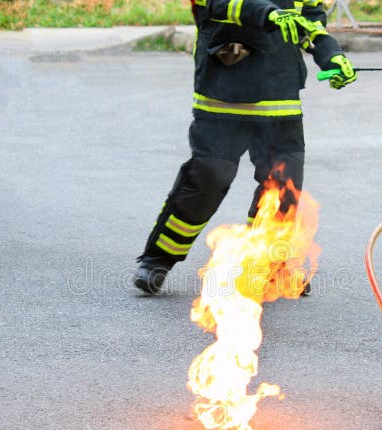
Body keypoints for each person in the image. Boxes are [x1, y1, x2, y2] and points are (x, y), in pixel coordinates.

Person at [133, 0, 356, 294]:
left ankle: (266, 267)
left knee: (283, 185)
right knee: (209, 178)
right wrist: (268, 13)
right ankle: (157, 260)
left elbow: (310, 20)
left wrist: (331, 55)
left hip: (280, 93)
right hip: (224, 89)